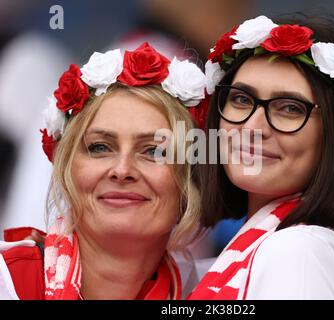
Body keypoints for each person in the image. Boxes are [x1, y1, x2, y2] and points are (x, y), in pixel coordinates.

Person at [188, 14, 334, 299]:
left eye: (290, 108)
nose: (253, 127)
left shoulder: (298, 252)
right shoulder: (271, 247)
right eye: (241, 99)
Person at [0, 42, 209, 300]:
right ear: (67, 168)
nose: (122, 170)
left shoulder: (219, 292)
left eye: (154, 151)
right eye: (100, 147)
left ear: (190, 178)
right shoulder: (8, 282)